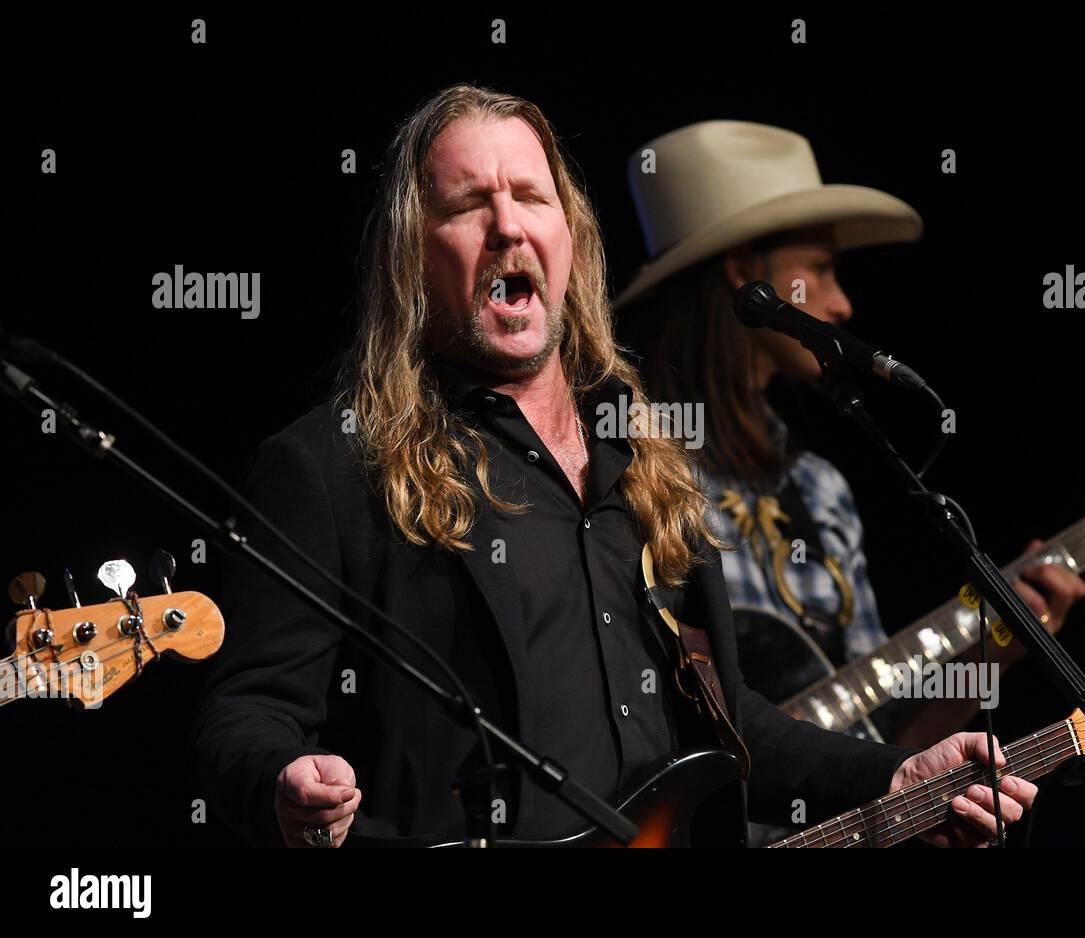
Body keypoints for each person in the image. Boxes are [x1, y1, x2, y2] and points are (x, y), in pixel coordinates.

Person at [190, 84, 1036, 848]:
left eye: (530, 196)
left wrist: (891, 774)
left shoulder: (646, 457)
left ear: (570, 238)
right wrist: (283, 783)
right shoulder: (333, 465)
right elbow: (249, 709)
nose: (509, 225)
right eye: (468, 205)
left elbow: (721, 720)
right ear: (412, 254)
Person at [616, 120, 1085, 747]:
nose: (842, 304)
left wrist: (995, 651)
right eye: (820, 269)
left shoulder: (819, 488)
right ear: (743, 277)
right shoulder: (624, 464)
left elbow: (879, 749)